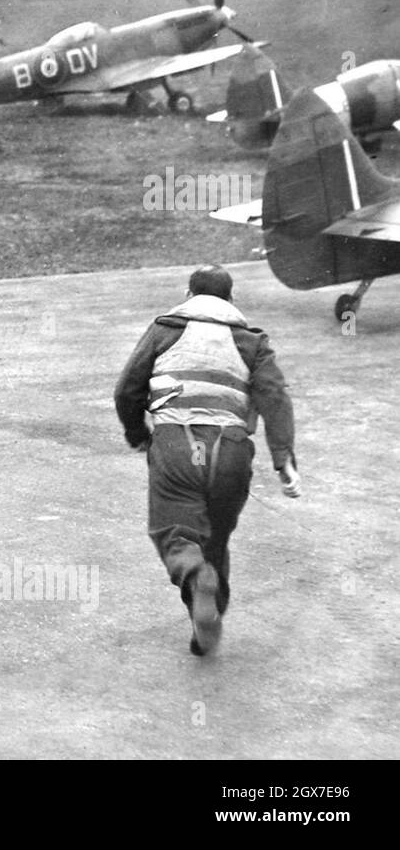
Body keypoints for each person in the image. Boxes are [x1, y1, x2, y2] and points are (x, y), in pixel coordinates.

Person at [114, 265, 300, 656]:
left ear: (188, 295)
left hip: (177, 446)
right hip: (230, 450)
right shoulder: (252, 340)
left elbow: (127, 390)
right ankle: (207, 624)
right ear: (232, 300)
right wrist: (283, 458)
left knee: (178, 535)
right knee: (214, 542)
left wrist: (138, 435)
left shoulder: (165, 329)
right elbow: (274, 397)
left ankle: (198, 579)